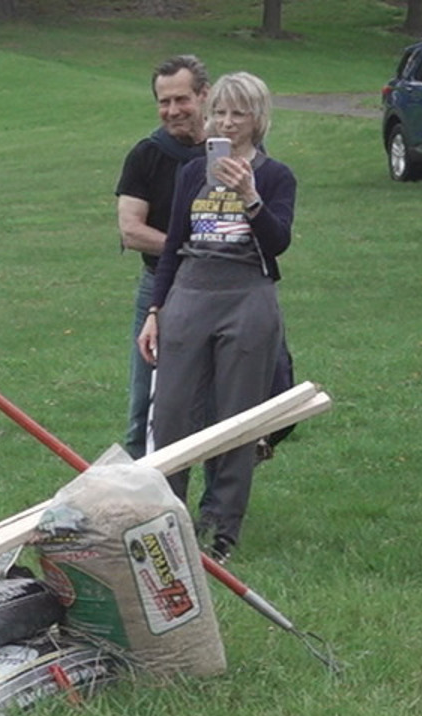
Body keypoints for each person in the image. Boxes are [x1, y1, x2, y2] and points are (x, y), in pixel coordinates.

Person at [136, 72, 296, 563]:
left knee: (237, 416)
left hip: (247, 297)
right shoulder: (191, 174)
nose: (227, 122)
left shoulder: (275, 175)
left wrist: (250, 196)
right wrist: (155, 310)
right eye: (220, 113)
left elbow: (277, 243)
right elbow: (171, 251)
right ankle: (166, 519)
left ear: (257, 119)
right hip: (189, 293)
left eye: (238, 114)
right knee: (173, 413)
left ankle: (221, 529)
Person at [116, 56, 210, 460]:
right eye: (163, 101)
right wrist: (193, 246)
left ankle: (214, 508)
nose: (172, 111)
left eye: (182, 100)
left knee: (216, 403)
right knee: (144, 405)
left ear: (204, 95)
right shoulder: (147, 154)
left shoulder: (231, 151)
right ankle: (137, 502)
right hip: (161, 289)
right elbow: (131, 230)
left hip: (222, 291)